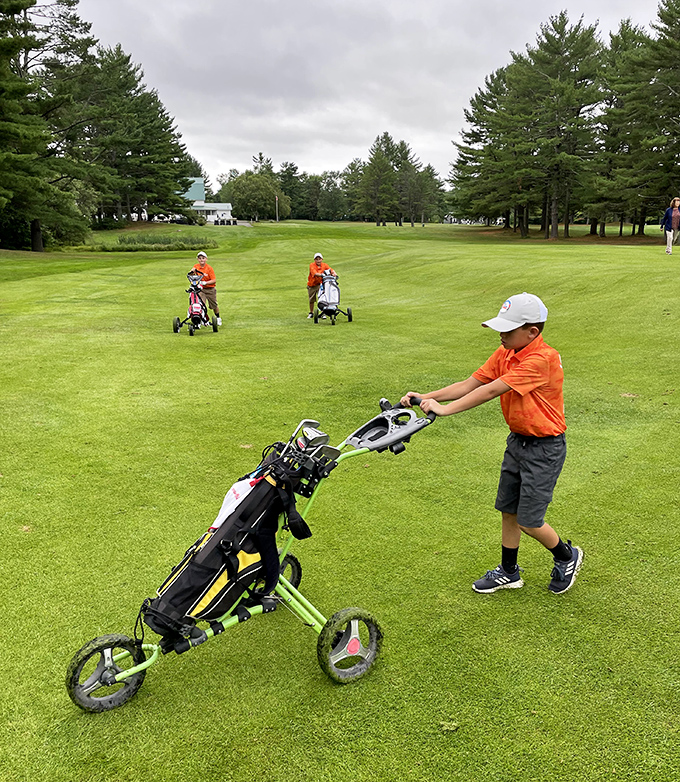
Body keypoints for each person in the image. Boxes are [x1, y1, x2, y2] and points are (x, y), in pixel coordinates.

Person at [401, 292, 583, 595]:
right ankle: (509, 571)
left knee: (529, 521)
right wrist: (425, 396)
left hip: (545, 448)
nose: (501, 334)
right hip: (518, 442)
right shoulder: (506, 352)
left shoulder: (542, 359)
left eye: (508, 329)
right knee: (508, 510)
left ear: (532, 332)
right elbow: (470, 384)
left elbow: (491, 391)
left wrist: (444, 410)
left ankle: (567, 556)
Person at [191, 251, 221, 325]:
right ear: (198, 259)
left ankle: (218, 318)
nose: (201, 260)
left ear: (206, 259)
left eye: (203, 258)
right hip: (201, 289)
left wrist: (205, 283)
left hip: (210, 289)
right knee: (201, 304)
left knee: (214, 305)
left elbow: (214, 280)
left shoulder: (209, 268)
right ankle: (201, 319)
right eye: (200, 258)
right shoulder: (196, 266)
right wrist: (192, 272)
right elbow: (192, 273)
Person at [306, 253, 335, 319]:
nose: (318, 260)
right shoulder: (312, 265)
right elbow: (314, 273)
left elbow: (330, 270)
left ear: (322, 259)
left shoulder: (324, 265)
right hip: (312, 285)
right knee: (312, 299)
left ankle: (323, 313)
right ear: (314, 260)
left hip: (321, 284)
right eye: (317, 259)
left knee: (322, 299)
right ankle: (311, 313)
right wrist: (322, 275)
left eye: (319, 259)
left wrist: (334, 273)